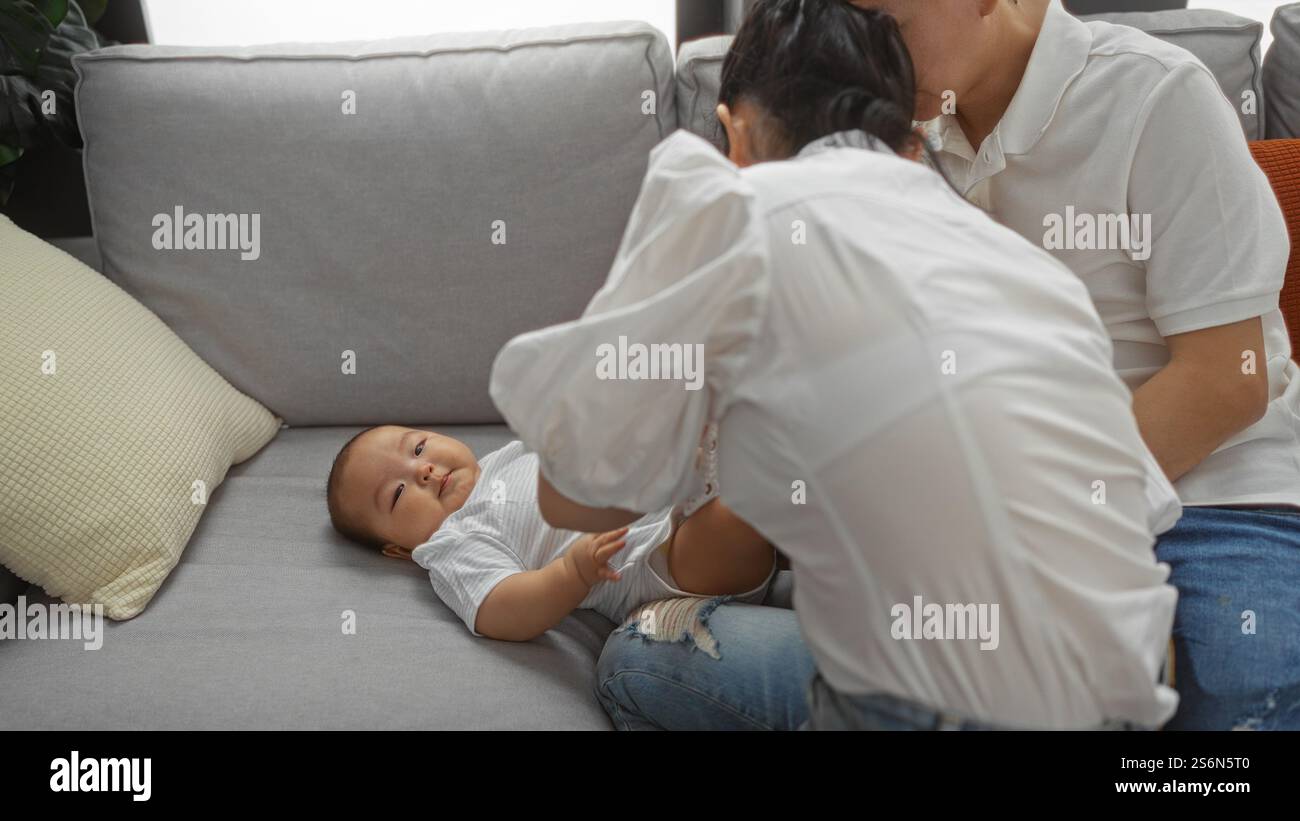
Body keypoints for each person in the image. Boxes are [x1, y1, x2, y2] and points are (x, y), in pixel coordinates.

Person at [489, 0, 1181, 730]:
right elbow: (1137, 500)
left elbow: (571, 498)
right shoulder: (1025, 267)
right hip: (1133, 692)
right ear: (911, 142)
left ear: (733, 133)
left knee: (636, 656)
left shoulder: (734, 208)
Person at [850, 0, 1299, 729]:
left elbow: (1229, 378)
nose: (871, 67)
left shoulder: (1155, 95)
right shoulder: (908, 143)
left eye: (889, 33)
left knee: (1239, 693)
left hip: (1217, 495)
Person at [324, 425, 776, 641]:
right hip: (664, 562)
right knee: (740, 509)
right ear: (398, 549)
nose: (422, 469)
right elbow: (499, 610)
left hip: (673, 494)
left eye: (418, 447)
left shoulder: (511, 455)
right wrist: (571, 572)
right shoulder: (451, 543)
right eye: (398, 493)